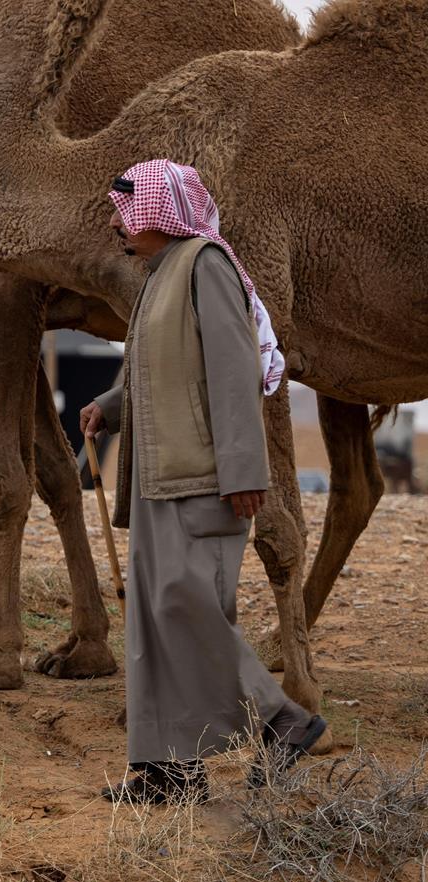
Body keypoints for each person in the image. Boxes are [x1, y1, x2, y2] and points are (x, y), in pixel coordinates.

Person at [79, 159, 329, 805]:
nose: (115, 221)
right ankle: (169, 773)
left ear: (159, 210)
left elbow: (230, 367)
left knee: (186, 612)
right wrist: (110, 407)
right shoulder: (161, 276)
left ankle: (282, 723)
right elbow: (163, 375)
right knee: (157, 622)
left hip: (205, 479)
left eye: (124, 209)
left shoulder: (205, 266)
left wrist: (246, 471)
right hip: (161, 480)